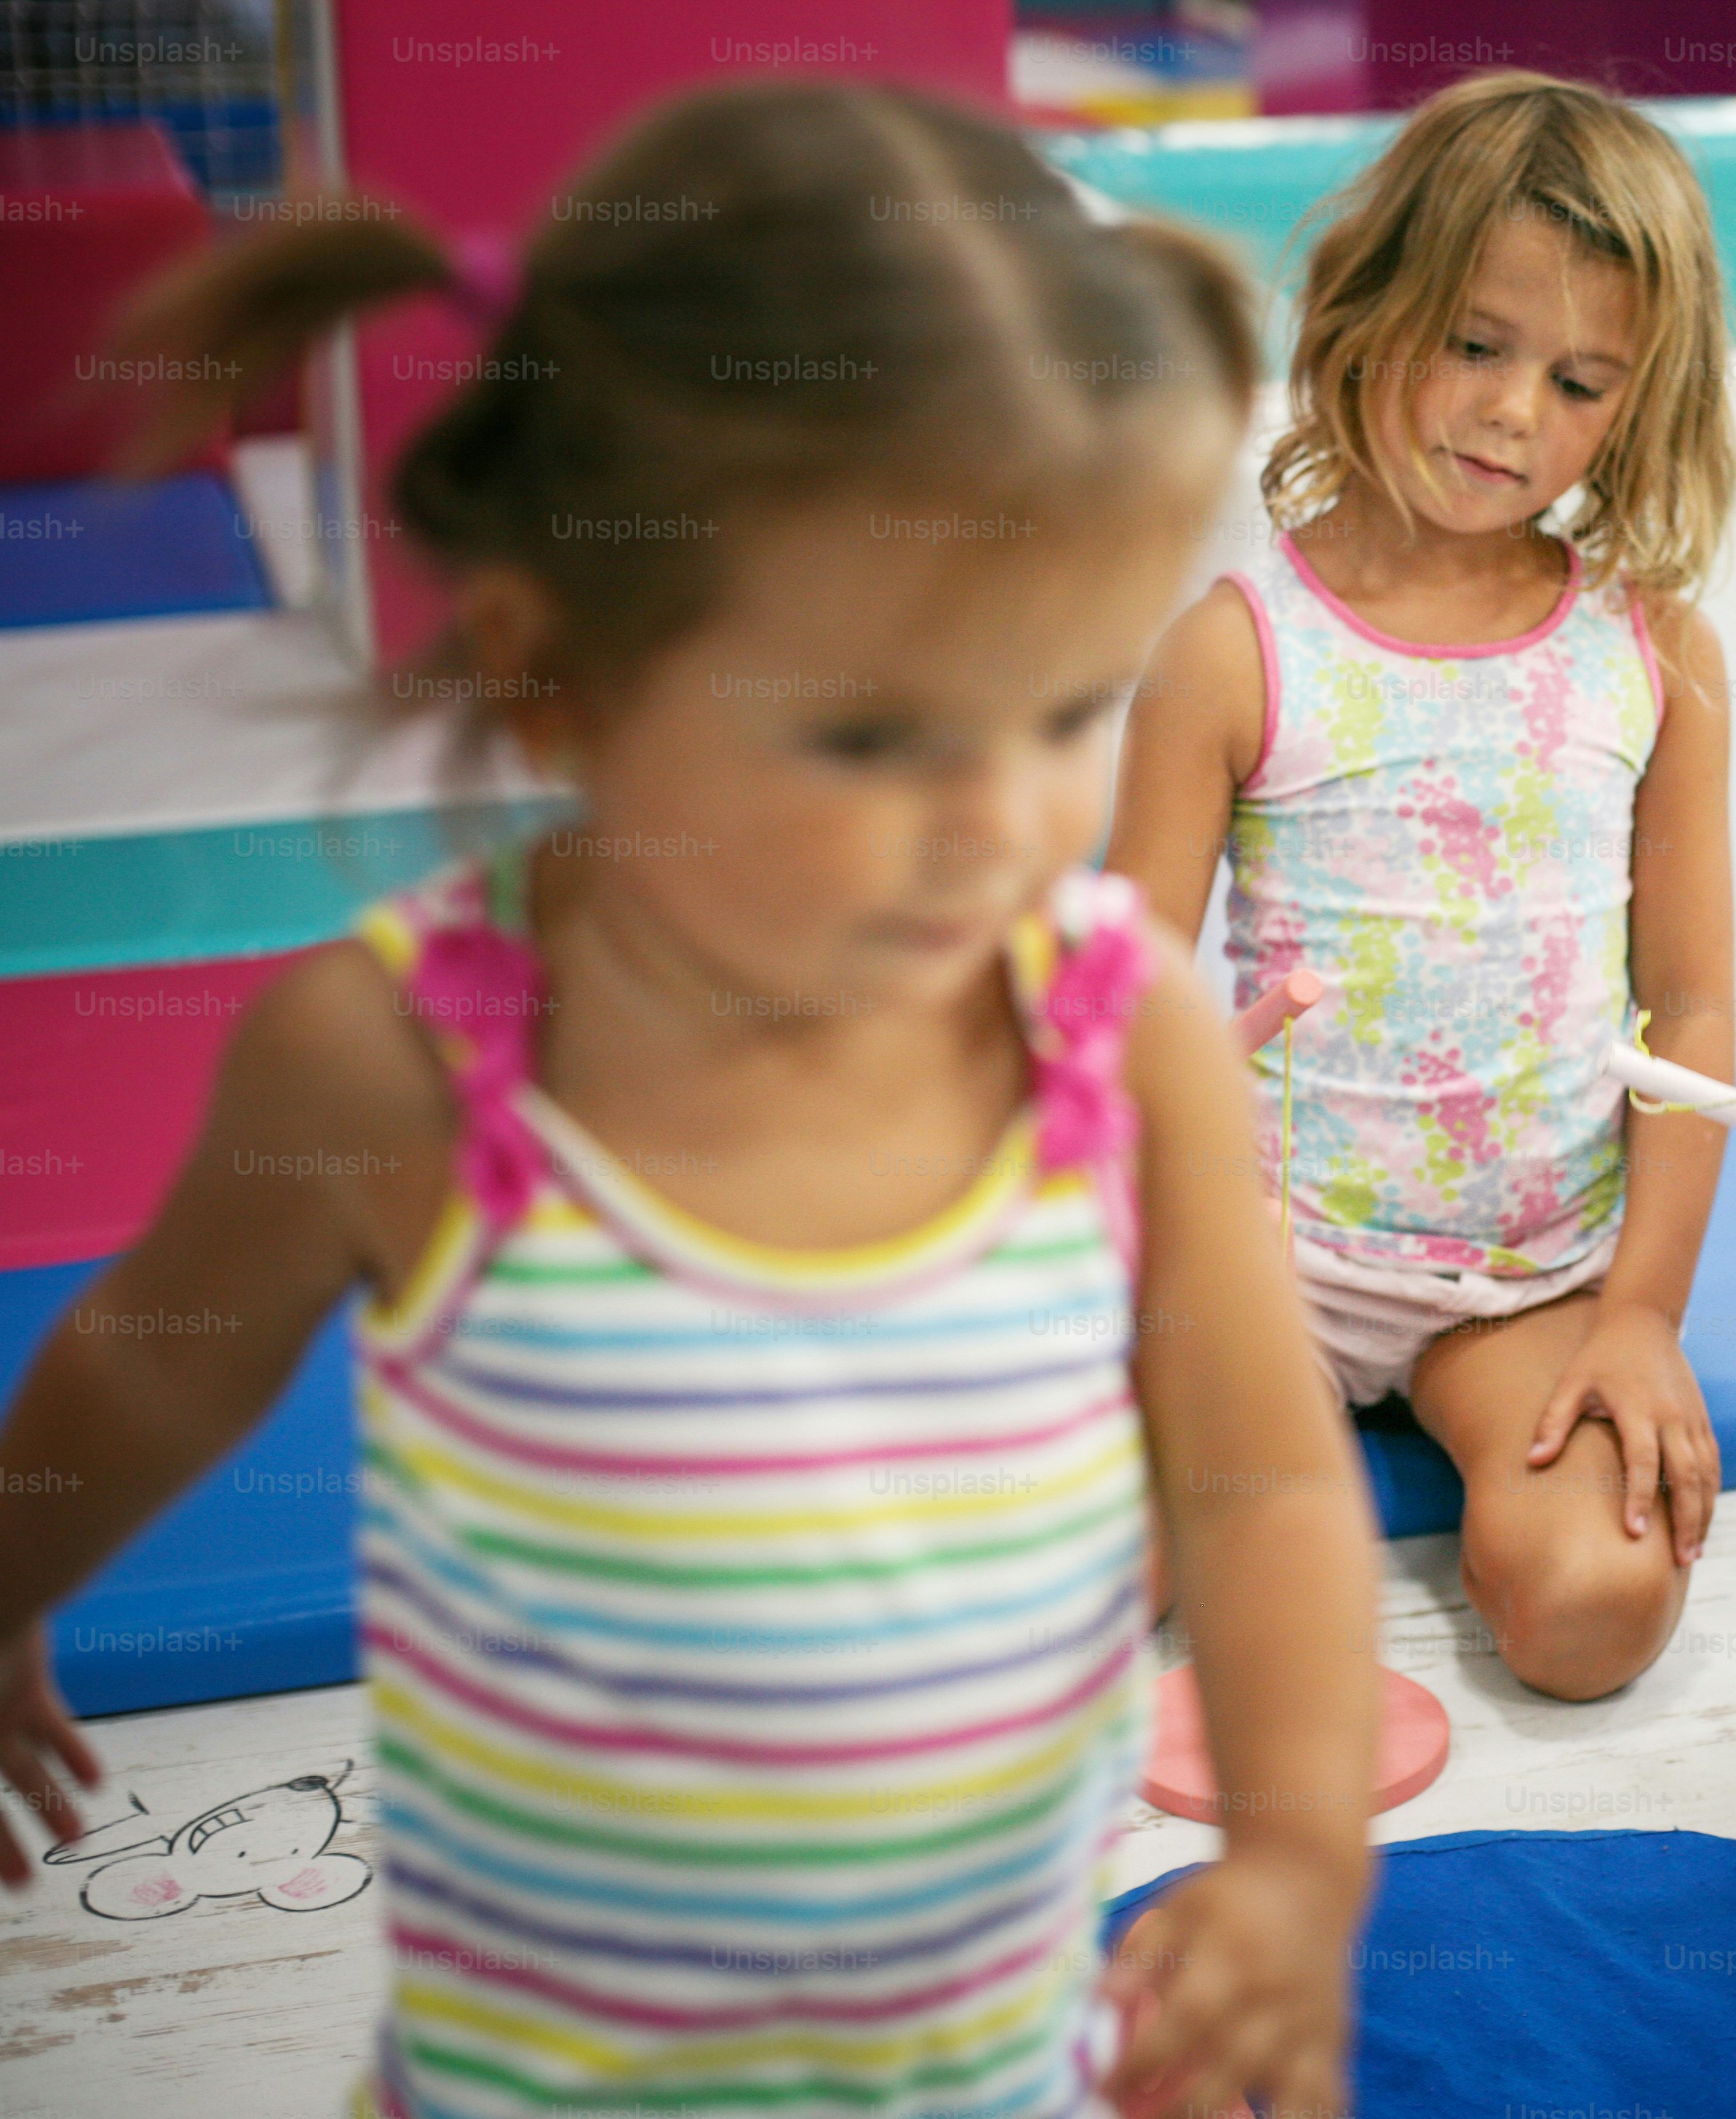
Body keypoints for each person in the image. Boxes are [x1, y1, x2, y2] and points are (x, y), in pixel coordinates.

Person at [0, 80, 1377, 2119]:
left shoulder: (1116, 1033)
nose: (999, 818)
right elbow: (153, 1362)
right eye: (875, 734)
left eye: (1062, 704)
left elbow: (1262, 1489)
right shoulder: (407, 1067)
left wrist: (1296, 1855)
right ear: (557, 672)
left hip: (992, 2073)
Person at [1108, 71, 1736, 1702]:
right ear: (1368, 311)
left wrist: (1644, 1315)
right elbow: (1113, 993)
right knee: (1079, 1597)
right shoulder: (1236, 651)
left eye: (1580, 378)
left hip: (1529, 1276)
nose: (1515, 411)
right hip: (1270, 1257)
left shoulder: (1655, 651)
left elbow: (1698, 1004)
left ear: (1636, 404)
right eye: (1475, 343)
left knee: (1596, 1613)